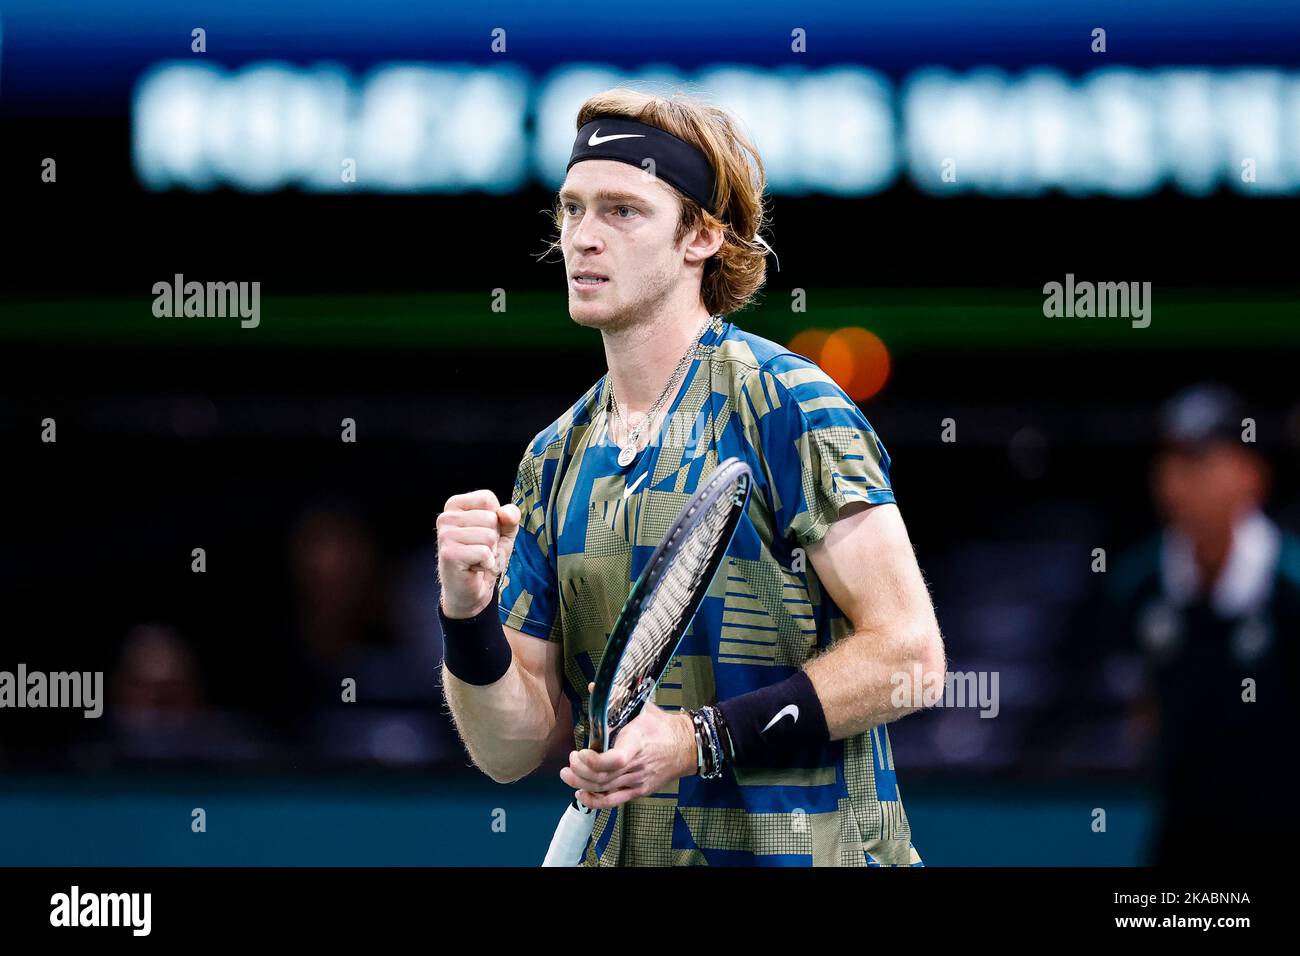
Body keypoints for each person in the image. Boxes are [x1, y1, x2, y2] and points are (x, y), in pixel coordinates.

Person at [435, 89, 945, 866]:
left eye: (622, 212)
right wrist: (466, 615)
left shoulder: (787, 404)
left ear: (701, 236)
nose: (583, 239)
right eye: (572, 210)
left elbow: (911, 659)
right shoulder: (553, 458)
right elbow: (509, 748)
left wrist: (694, 739)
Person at [1110, 383, 1300, 865]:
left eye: (1197, 463)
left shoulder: (1292, 587)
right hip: (1181, 837)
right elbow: (1143, 707)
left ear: (1250, 475)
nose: (1174, 484)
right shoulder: (1139, 583)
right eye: (1168, 465)